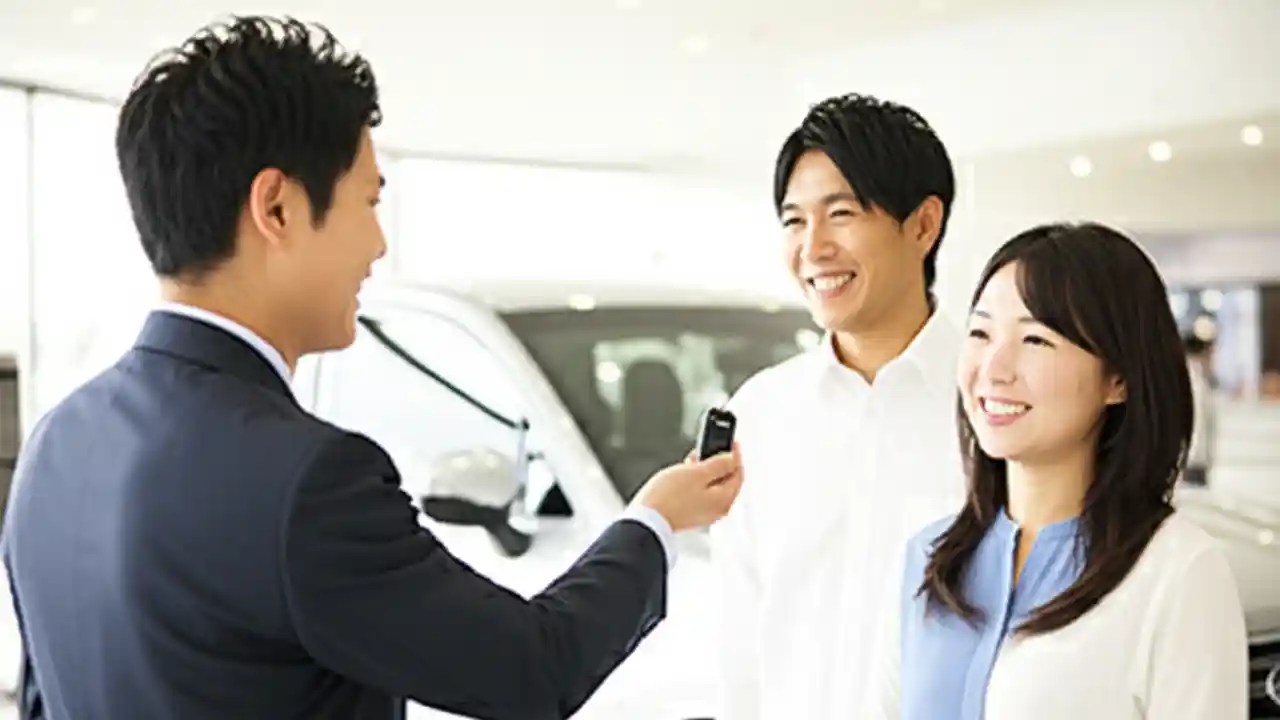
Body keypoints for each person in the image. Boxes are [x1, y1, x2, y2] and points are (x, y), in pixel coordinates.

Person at [0, 16, 743, 720]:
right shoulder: (308, 479)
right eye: (368, 201)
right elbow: (532, 668)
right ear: (278, 208)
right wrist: (657, 518)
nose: (379, 246)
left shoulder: (55, 444)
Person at [869, 222, 1248, 719]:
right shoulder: (928, 560)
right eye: (981, 332)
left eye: (1036, 340)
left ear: (1118, 378)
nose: (994, 368)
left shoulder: (1178, 571)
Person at [709, 93, 966, 719]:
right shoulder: (762, 415)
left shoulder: (994, 406)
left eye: (841, 214)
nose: (813, 247)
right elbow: (739, 636)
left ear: (923, 226)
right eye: (794, 221)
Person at [1183, 333, 1215, 486]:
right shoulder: (1193, 380)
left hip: (1195, 460)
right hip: (1193, 461)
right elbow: (1197, 422)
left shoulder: (1199, 378)